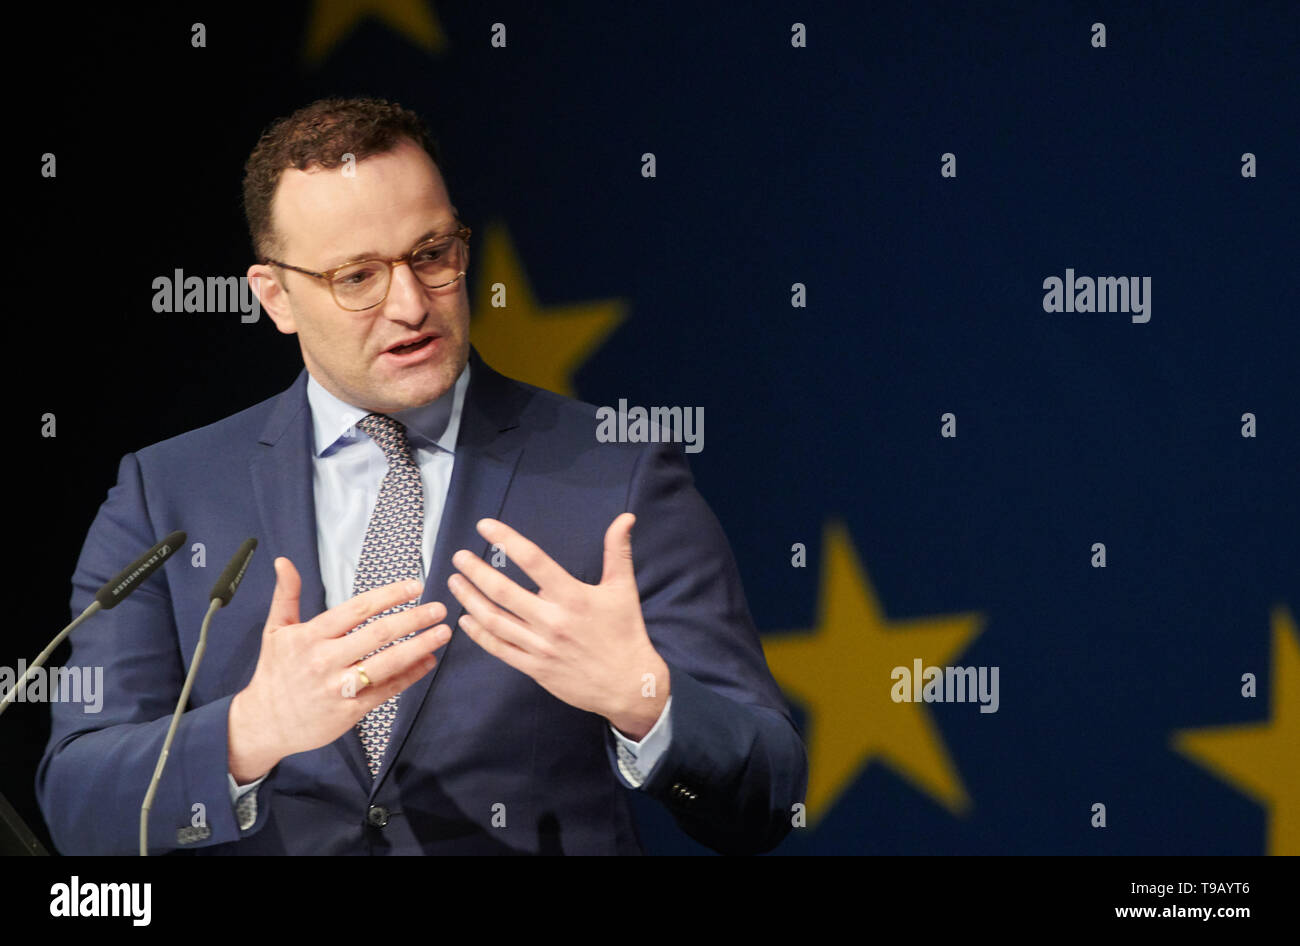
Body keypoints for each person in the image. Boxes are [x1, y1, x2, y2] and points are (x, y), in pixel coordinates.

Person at [36, 97, 807, 855]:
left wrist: (645, 698)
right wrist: (248, 733)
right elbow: (79, 804)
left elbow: (769, 793)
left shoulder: (617, 474)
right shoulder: (168, 492)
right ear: (276, 298)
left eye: (432, 255)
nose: (410, 305)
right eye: (357, 277)